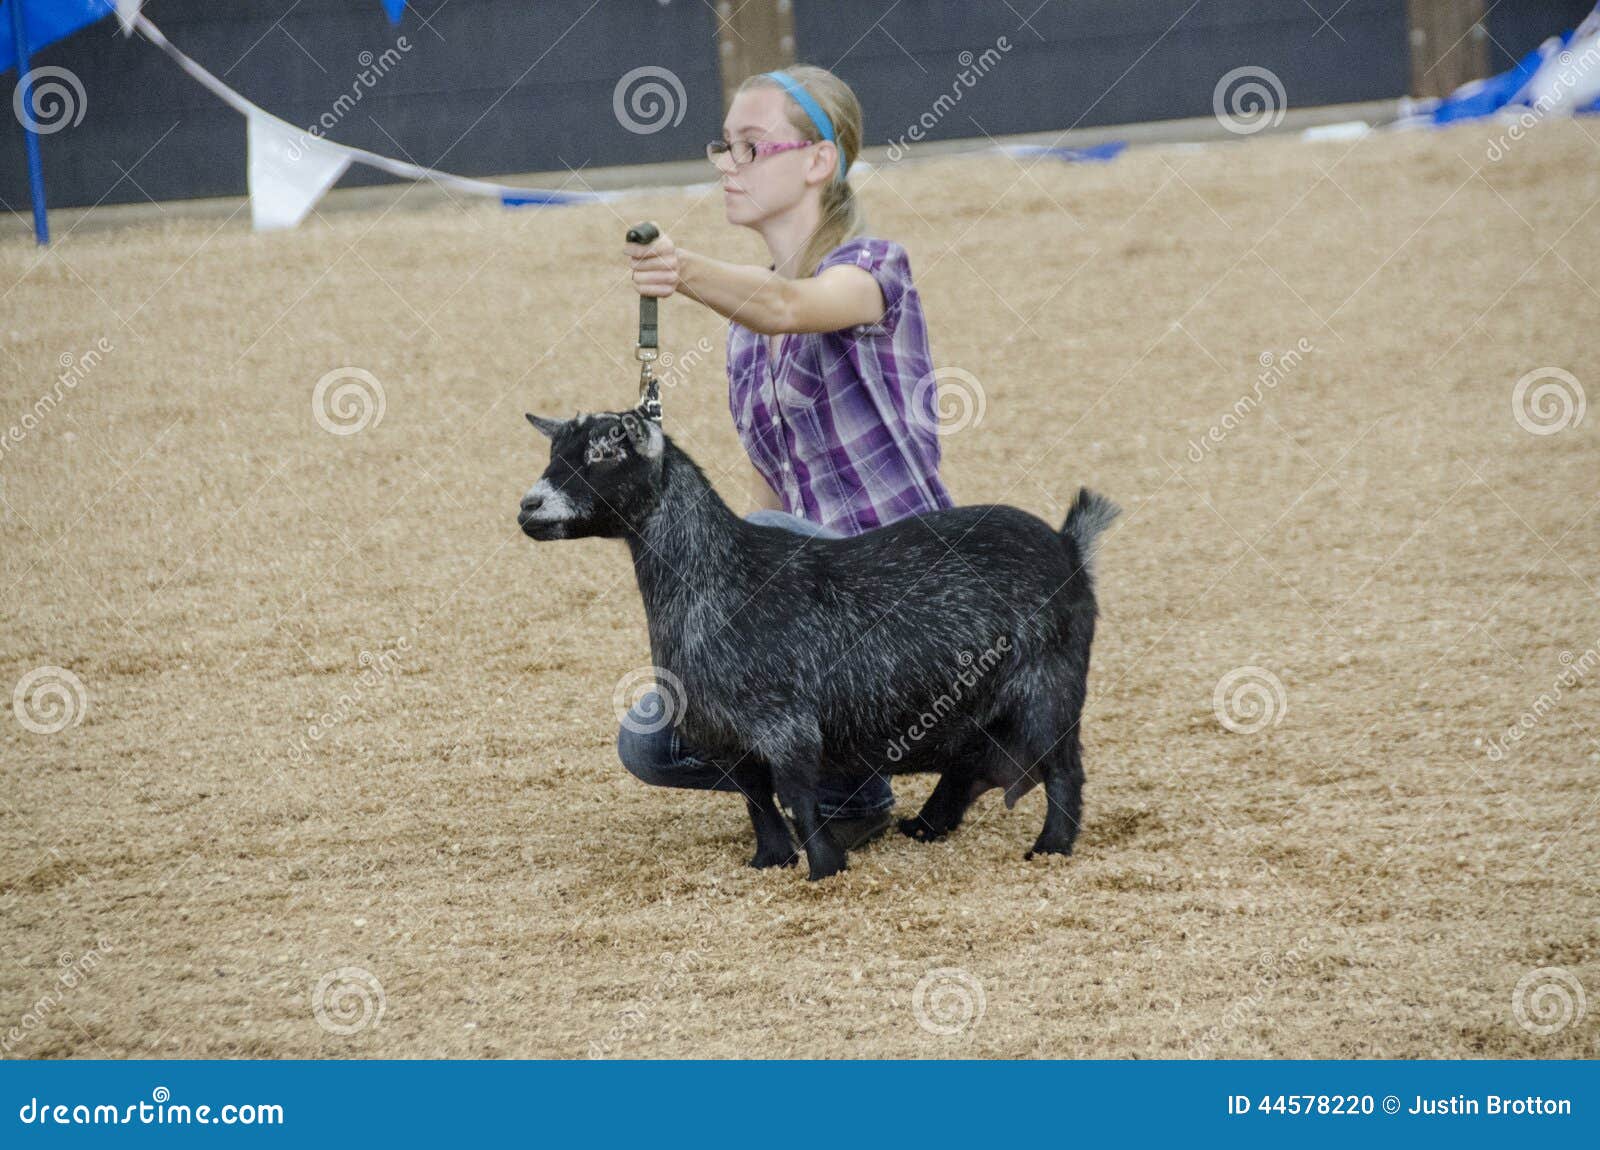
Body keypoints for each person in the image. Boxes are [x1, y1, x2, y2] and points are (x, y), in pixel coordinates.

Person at [616, 64, 954, 853]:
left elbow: (790, 307)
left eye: (750, 147)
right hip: (825, 622)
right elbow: (775, 494)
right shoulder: (744, 328)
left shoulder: (876, 268)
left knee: (762, 538)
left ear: (817, 161)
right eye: (723, 148)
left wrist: (684, 270)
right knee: (653, 741)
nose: (727, 166)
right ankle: (848, 782)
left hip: (911, 608)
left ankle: (879, 759)